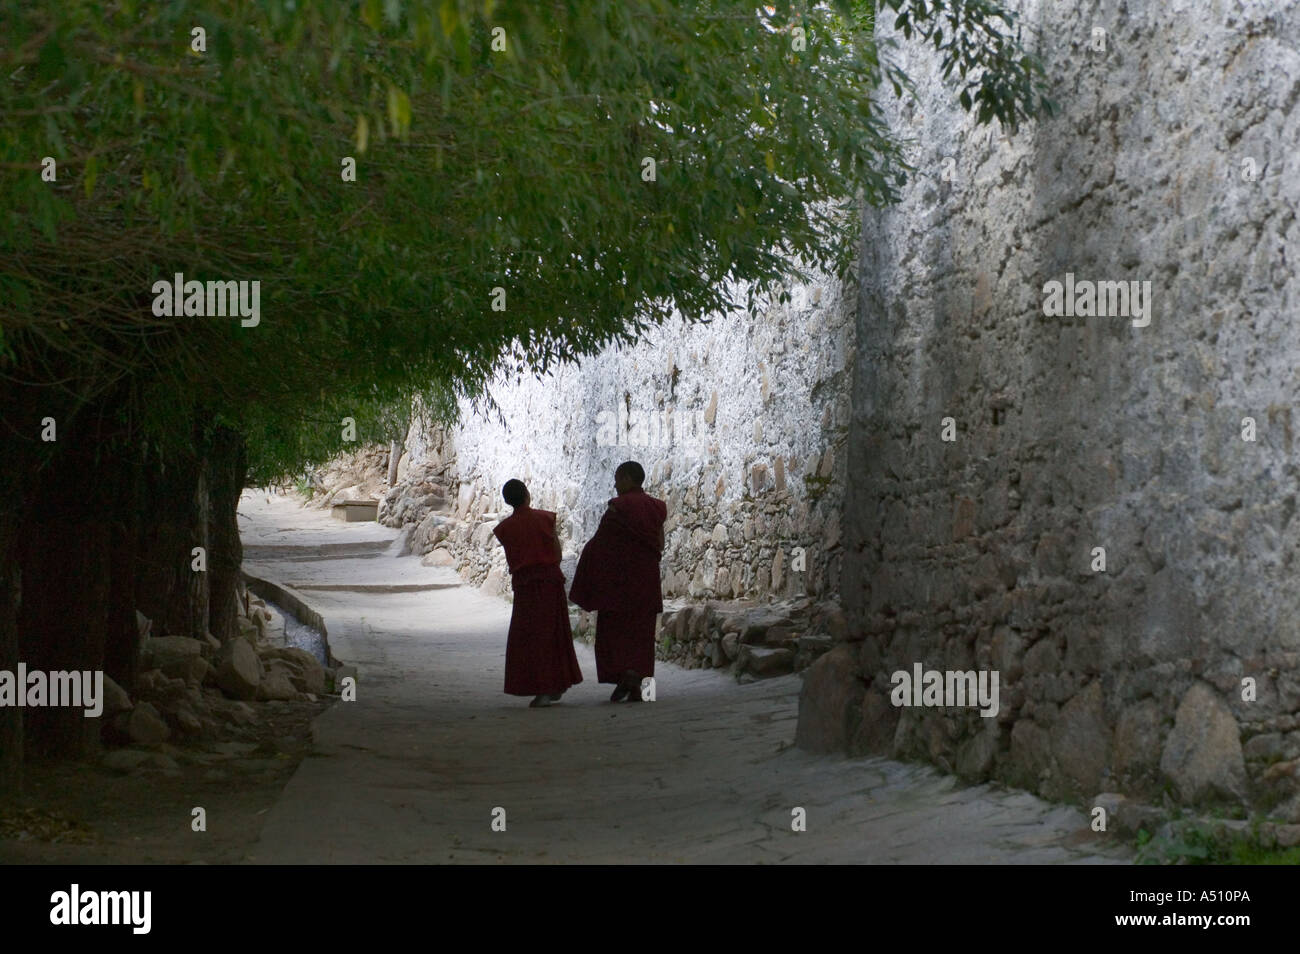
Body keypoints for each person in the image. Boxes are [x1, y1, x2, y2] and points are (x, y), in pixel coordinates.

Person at [569, 461, 667, 702]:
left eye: (617, 478)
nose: (614, 484)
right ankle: (645, 692)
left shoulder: (618, 507)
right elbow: (660, 544)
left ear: (627, 479)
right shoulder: (657, 507)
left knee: (615, 634)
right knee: (643, 638)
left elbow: (600, 544)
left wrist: (588, 569)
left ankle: (626, 677)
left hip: (620, 584)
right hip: (646, 581)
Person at [491, 479, 583, 708]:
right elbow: (558, 554)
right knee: (552, 635)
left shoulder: (505, 528)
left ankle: (545, 688)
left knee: (532, 637)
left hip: (524, 587)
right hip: (550, 582)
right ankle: (552, 686)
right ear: (527, 495)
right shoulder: (545, 518)